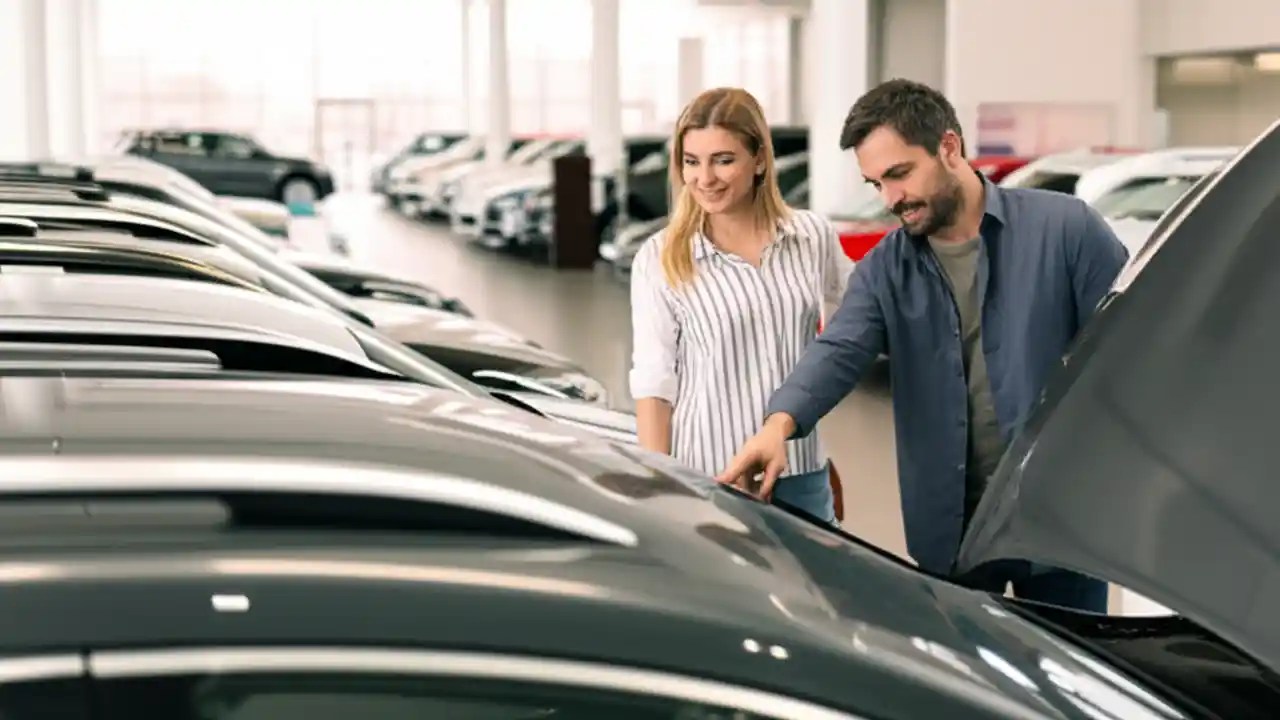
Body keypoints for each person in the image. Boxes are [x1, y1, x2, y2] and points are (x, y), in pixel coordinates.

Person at [716, 79, 1129, 612]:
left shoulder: (1066, 231)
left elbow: (1128, 350)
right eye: (876, 184)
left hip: (1061, 520)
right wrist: (779, 425)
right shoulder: (888, 267)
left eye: (899, 174)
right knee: (965, 685)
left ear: (949, 148)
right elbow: (838, 349)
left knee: (1076, 680)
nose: (891, 199)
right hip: (954, 530)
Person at [629, 87, 854, 525]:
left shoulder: (811, 236)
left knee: (817, 593)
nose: (704, 178)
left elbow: (855, 323)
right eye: (691, 161)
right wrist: (662, 487)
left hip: (801, 469)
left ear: (760, 160)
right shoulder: (661, 257)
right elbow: (655, 383)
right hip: (712, 475)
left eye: (723, 160)